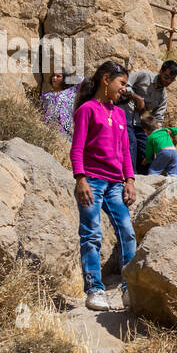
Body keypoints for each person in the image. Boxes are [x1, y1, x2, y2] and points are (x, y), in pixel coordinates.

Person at [70, 61, 137, 313]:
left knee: (127, 232)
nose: (124, 89)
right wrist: (80, 179)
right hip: (92, 182)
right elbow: (76, 148)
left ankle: (130, 288)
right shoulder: (86, 110)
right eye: (121, 83)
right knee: (91, 234)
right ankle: (94, 290)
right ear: (105, 79)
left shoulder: (119, 113)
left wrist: (129, 180)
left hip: (115, 185)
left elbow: (125, 152)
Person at [119, 61, 177, 175]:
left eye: (171, 79)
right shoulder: (143, 75)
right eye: (166, 76)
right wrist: (137, 98)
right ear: (160, 71)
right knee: (131, 141)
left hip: (139, 123)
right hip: (123, 114)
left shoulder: (163, 96)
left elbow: (158, 118)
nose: (167, 81)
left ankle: (143, 177)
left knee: (146, 145)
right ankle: (130, 175)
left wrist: (158, 138)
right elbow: (124, 86)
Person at [39, 68, 77, 143]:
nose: (54, 78)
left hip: (66, 134)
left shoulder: (71, 94)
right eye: (53, 75)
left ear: (64, 79)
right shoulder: (45, 96)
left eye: (58, 76)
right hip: (47, 130)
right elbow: (40, 112)